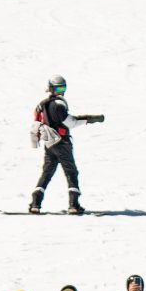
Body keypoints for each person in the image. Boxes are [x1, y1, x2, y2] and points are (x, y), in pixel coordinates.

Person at [29, 75, 86, 213]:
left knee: (47, 173)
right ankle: (74, 205)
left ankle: (35, 203)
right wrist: (86, 120)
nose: (61, 91)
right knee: (71, 172)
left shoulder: (42, 104)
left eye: (63, 88)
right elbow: (70, 122)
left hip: (49, 144)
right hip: (62, 142)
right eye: (58, 88)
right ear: (51, 88)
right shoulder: (59, 104)